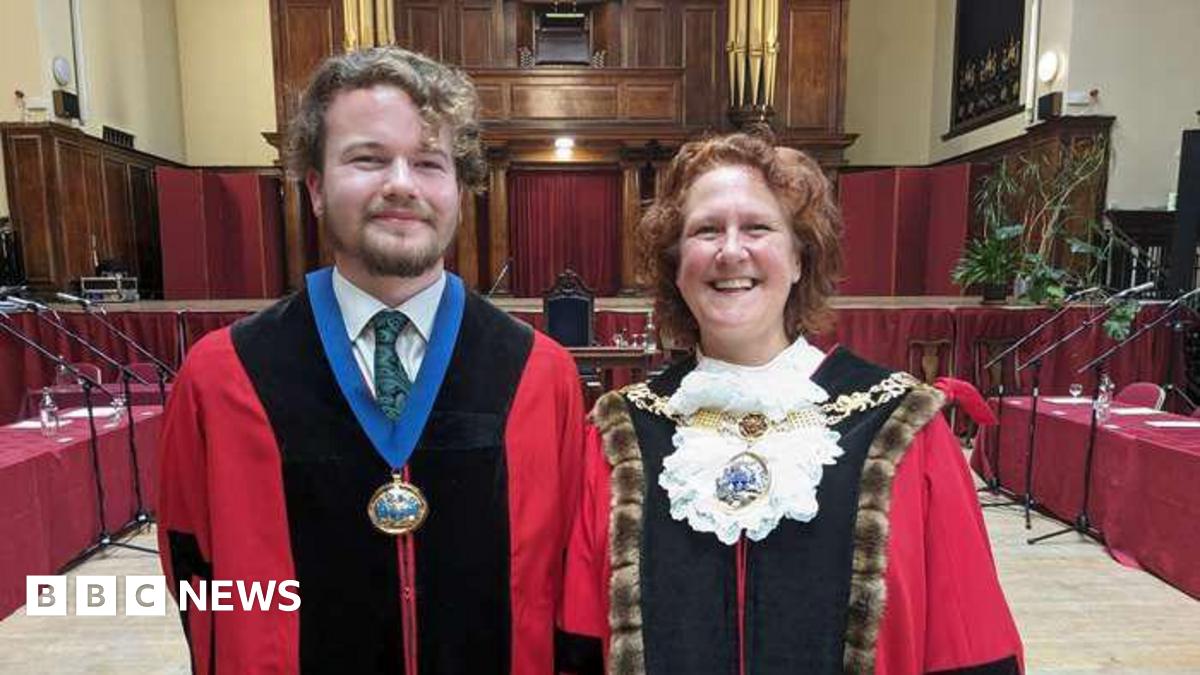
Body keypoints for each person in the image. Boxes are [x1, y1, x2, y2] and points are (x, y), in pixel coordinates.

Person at [157, 47, 586, 674]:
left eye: (429, 163)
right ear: (315, 187)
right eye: (368, 159)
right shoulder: (223, 377)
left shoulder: (540, 375)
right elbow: (196, 574)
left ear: (459, 192)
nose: (401, 184)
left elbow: (569, 586)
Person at [558, 134, 1023, 674]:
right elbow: (583, 645)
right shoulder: (623, 435)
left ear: (800, 258)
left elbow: (966, 639)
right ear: (677, 267)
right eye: (706, 230)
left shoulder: (900, 427)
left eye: (757, 227)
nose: (731, 251)